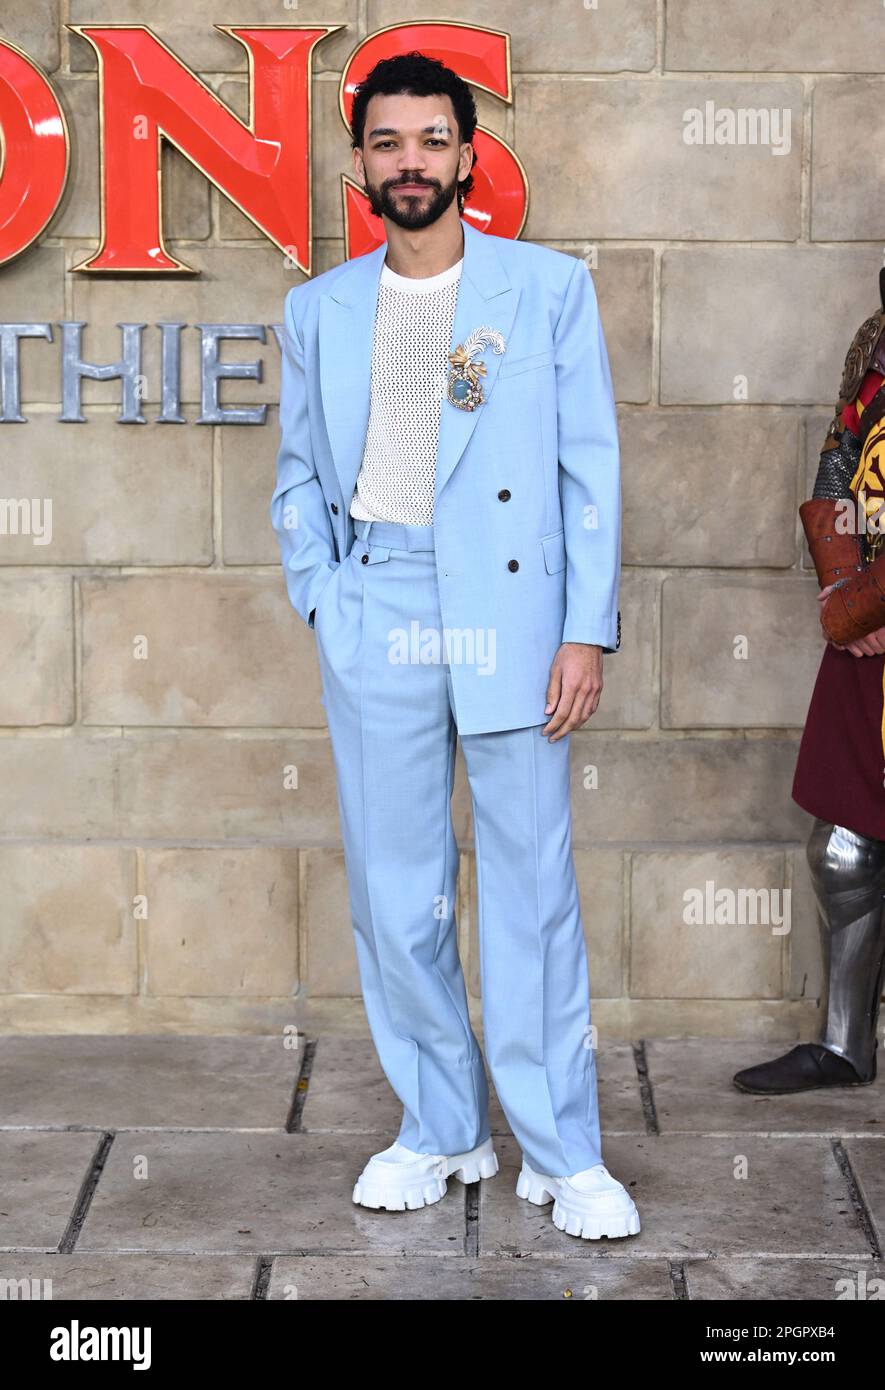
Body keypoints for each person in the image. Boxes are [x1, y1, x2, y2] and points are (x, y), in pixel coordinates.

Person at [271, 51, 638, 1241]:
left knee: (533, 887)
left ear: (470, 156)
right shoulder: (317, 309)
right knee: (396, 894)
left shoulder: (547, 289)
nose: (411, 162)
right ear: (363, 164)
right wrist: (327, 598)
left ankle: (564, 1147)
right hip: (377, 603)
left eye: (433, 140)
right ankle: (441, 1124)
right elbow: (296, 483)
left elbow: (591, 465)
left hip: (516, 616)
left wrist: (586, 628)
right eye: (389, 143)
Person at [734, 272, 885, 1096]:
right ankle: (842, 1044)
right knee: (844, 848)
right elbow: (842, 466)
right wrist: (846, 596)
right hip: (872, 633)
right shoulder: (874, 338)